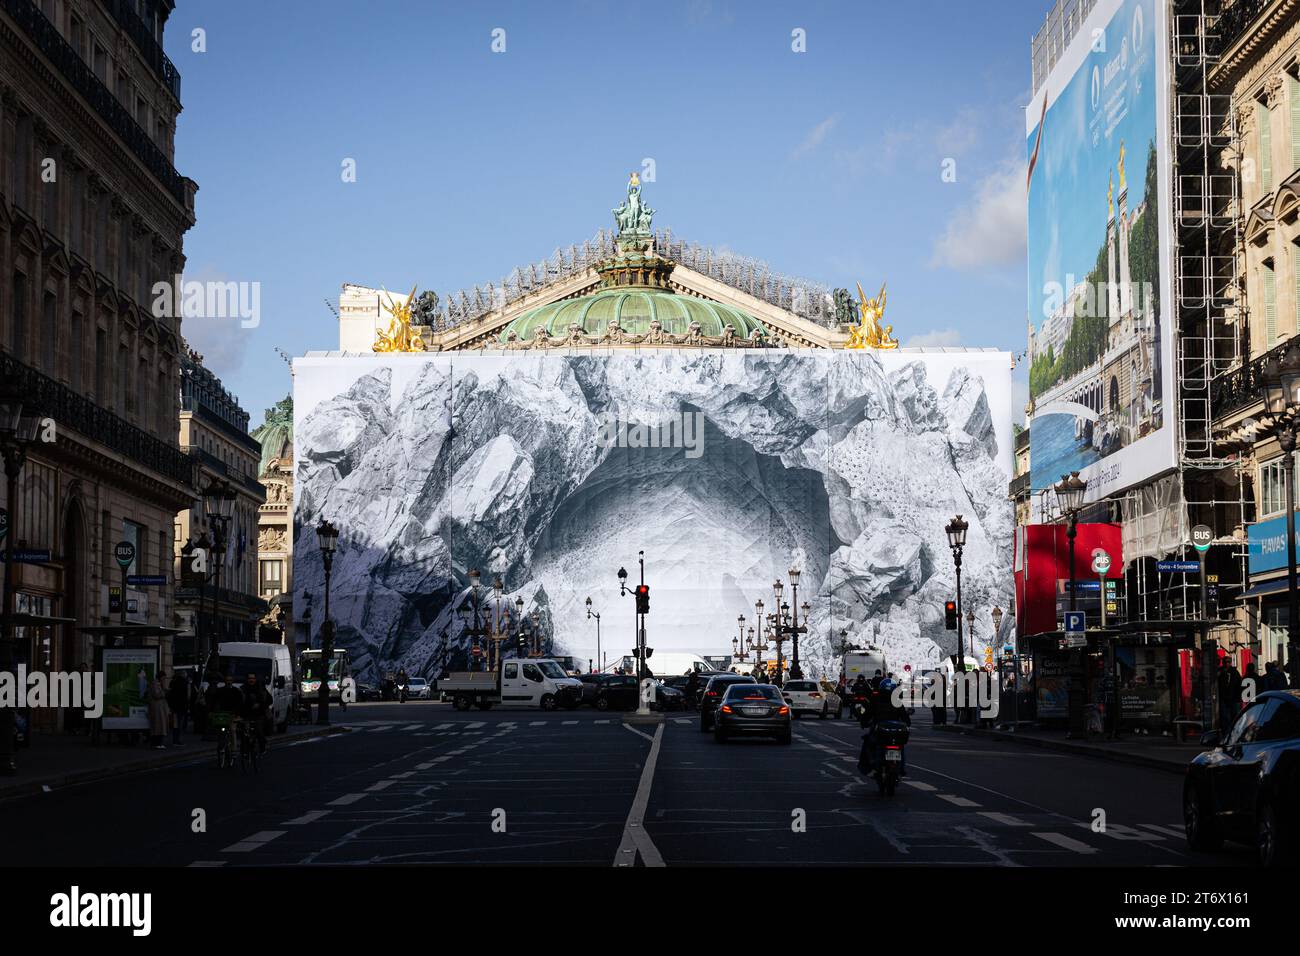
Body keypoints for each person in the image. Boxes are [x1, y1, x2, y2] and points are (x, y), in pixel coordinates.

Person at [860, 677, 911, 776]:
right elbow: (905, 717)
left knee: (868, 744)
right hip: (894, 733)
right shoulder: (896, 701)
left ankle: (870, 765)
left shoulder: (876, 700)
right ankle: (901, 768)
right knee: (900, 747)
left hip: (880, 731)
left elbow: (868, 714)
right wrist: (907, 722)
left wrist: (864, 722)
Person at [240, 672, 273, 756]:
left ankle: (262, 747)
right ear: (247, 680)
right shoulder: (243, 689)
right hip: (247, 714)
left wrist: (259, 704)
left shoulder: (261, 688)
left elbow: (269, 700)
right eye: (250, 678)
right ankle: (245, 751)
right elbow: (239, 702)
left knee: (259, 730)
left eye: (253, 678)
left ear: (255, 679)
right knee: (245, 733)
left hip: (259, 714)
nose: (251, 680)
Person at [147, 671, 170, 750]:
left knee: (161, 726)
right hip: (156, 709)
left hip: (160, 708)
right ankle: (156, 743)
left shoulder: (158, 684)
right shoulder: (155, 684)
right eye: (163, 678)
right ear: (160, 677)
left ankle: (158, 743)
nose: (164, 679)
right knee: (158, 726)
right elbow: (157, 695)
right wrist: (164, 691)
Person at [167, 669, 190, 745]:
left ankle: (175, 739)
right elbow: (188, 696)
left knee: (175, 724)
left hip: (174, 706)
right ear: (183, 675)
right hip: (182, 706)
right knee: (180, 724)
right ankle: (177, 740)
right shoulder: (186, 683)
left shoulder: (173, 682)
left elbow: (170, 694)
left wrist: (171, 705)